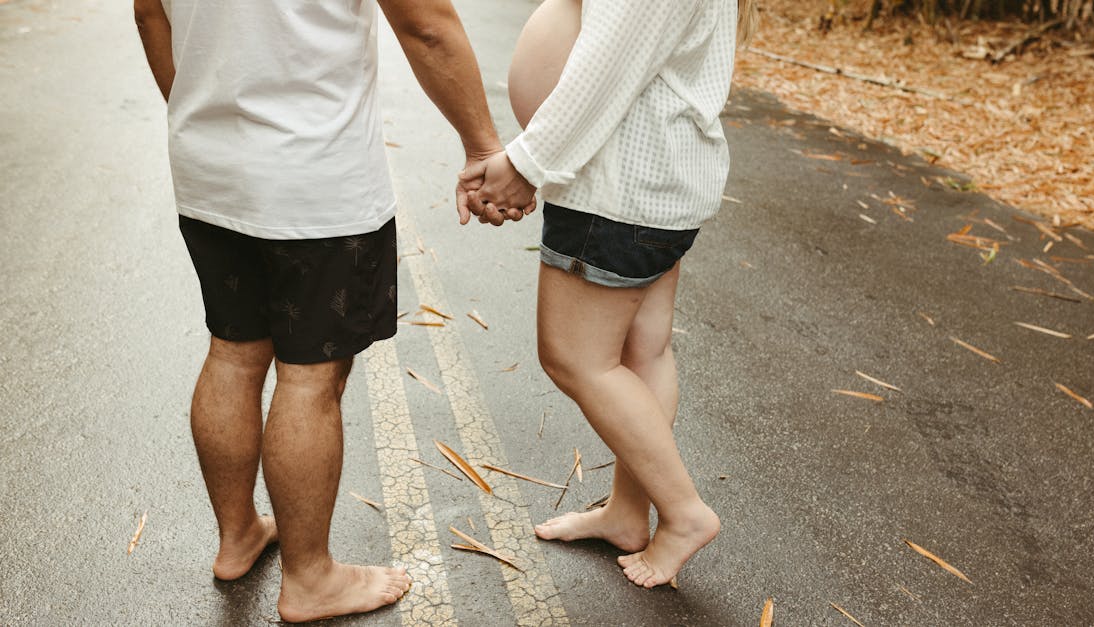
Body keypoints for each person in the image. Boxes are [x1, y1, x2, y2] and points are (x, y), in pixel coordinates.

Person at [133, 0, 532, 621]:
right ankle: (311, 577)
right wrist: (483, 144)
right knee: (310, 376)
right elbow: (425, 22)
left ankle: (238, 537)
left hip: (210, 167)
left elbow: (148, 11)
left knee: (234, 352)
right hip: (312, 176)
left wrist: (196, 113)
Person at [462, 0, 757, 589]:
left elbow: (606, 68)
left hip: (618, 187)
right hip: (655, 181)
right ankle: (628, 512)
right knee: (642, 354)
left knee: (577, 358)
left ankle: (683, 514)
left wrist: (525, 163)